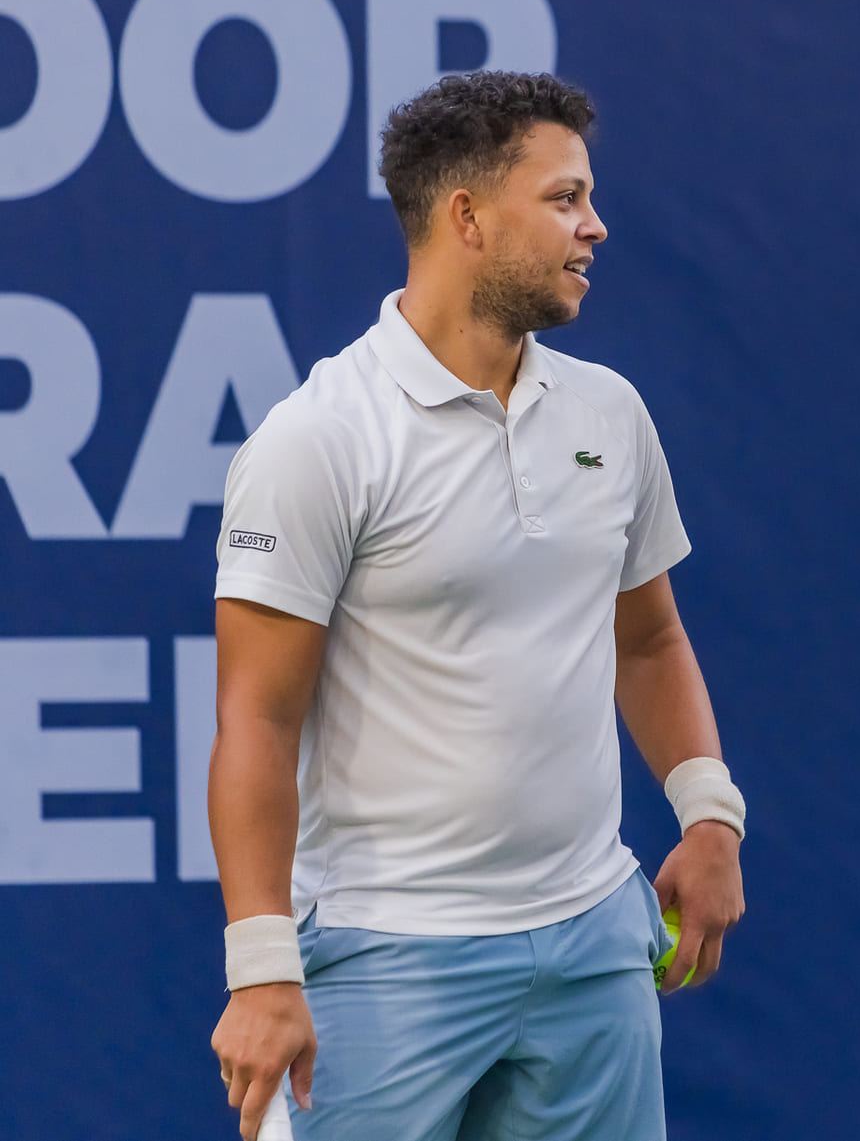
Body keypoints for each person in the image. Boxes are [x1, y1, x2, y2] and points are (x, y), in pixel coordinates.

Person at [206, 71, 745, 1141]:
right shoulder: (317, 440)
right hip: (383, 955)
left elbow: (649, 639)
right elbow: (255, 722)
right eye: (563, 199)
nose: (594, 226)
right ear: (466, 217)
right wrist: (262, 969)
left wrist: (711, 814)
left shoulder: (610, 413)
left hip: (595, 943)